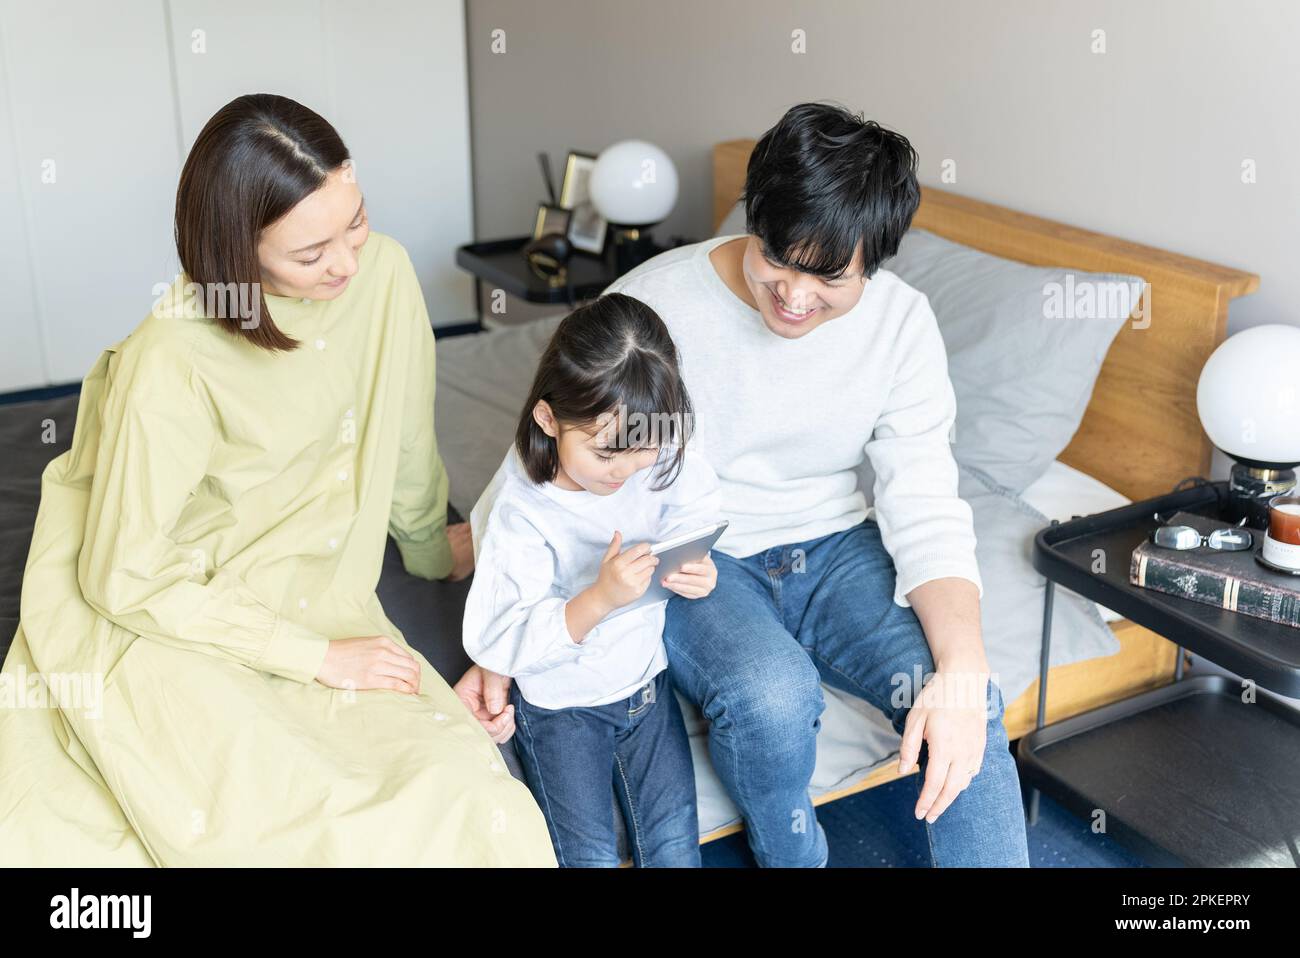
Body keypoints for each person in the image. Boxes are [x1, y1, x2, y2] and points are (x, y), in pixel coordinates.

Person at [458, 102, 1031, 867]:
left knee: (970, 697)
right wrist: (499, 642)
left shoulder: (903, 326)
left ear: (875, 261)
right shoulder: (657, 303)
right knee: (771, 696)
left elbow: (924, 500)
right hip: (700, 554)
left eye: (827, 276)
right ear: (753, 222)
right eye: (777, 261)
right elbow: (547, 444)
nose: (793, 297)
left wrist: (963, 666)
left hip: (837, 546)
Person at [0, 93, 556, 867]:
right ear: (237, 251)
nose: (347, 263)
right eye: (309, 253)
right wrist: (314, 657)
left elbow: (401, 436)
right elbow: (122, 574)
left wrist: (432, 549)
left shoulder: (384, 274)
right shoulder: (174, 355)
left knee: (475, 801)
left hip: (319, 587)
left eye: (355, 222)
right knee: (272, 816)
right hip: (170, 605)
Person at [464, 293, 721, 867]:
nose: (628, 470)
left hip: (645, 689)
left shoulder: (655, 453)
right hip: (563, 711)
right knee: (589, 855)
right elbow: (505, 636)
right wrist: (598, 598)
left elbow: (696, 507)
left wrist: (698, 564)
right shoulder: (524, 513)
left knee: (677, 845)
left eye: (644, 448)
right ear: (548, 418)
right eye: (607, 453)